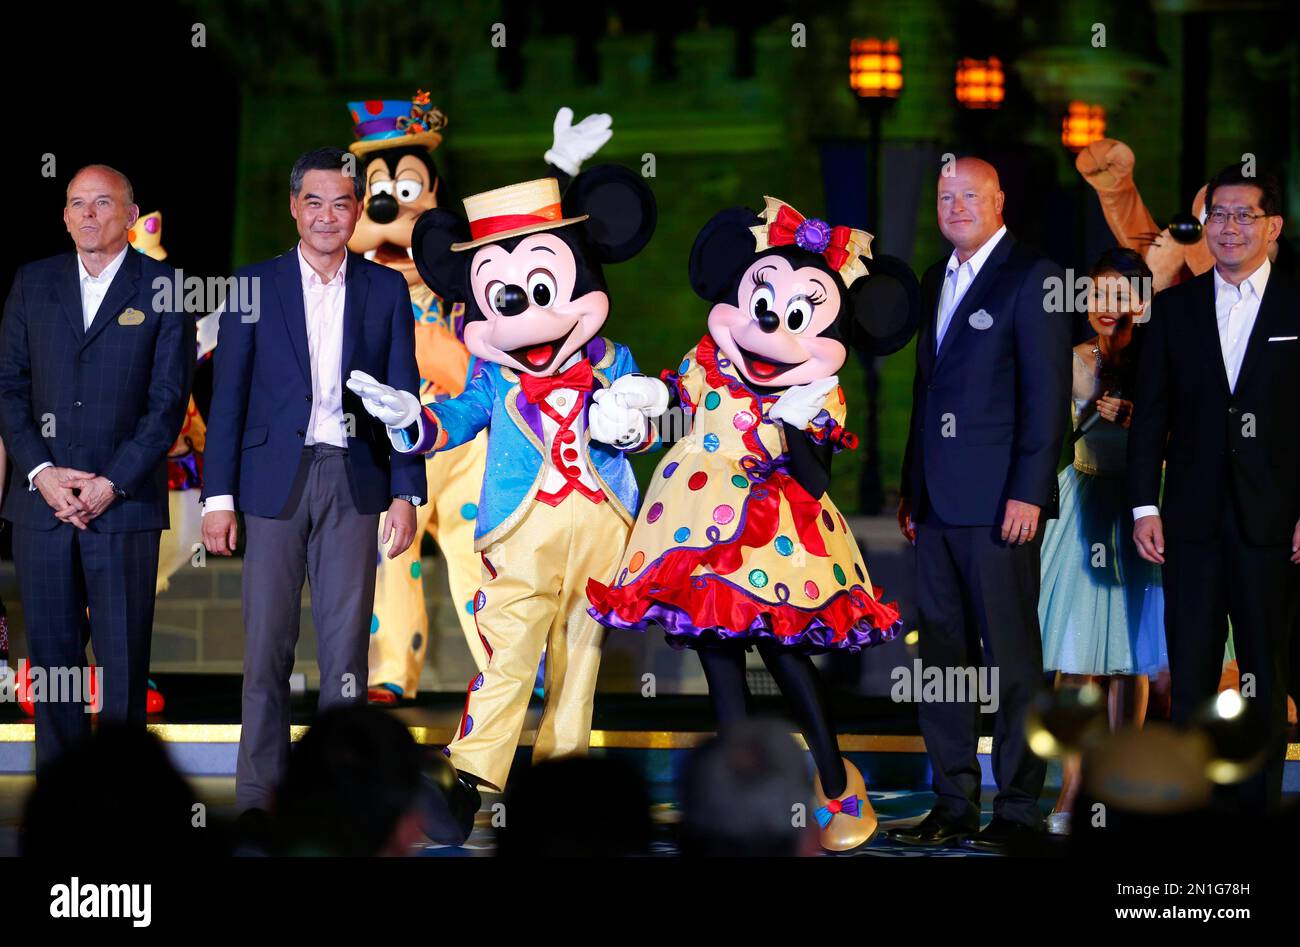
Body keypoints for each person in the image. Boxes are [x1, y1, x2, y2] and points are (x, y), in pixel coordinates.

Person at [200, 147, 426, 814]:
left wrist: (406, 489)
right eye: (315, 202)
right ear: (295, 207)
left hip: (355, 479)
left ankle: (342, 800)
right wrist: (219, 497)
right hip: (273, 481)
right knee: (266, 647)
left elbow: (402, 394)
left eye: (342, 203)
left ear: (357, 210)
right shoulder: (255, 285)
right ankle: (257, 800)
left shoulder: (386, 290)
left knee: (346, 653)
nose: (329, 216)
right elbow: (229, 399)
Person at [891, 157, 1071, 851]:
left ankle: (1019, 809)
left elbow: (1046, 394)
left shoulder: (1035, 274)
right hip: (937, 503)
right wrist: (912, 483)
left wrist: (1030, 488)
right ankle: (953, 803)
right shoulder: (937, 277)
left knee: (1015, 660)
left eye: (970, 194)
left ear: (999, 198)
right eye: (945, 196)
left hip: (1001, 503)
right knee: (942, 661)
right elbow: (928, 390)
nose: (956, 206)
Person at [0, 164, 194, 767]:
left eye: (102, 202)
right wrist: (42, 473)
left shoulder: (165, 288)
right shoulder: (32, 284)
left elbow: (167, 408)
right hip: (43, 505)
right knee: (54, 664)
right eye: (76, 203)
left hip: (124, 505)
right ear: (63, 215)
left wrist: (110, 482)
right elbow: (8, 388)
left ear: (130, 216)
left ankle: (122, 800)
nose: (87, 213)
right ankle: (61, 803)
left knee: (122, 663)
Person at [1128, 164, 1300, 812]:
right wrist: (1145, 503)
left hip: (1272, 526)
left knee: (1265, 673)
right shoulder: (1174, 309)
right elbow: (1151, 415)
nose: (1227, 228)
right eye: (1217, 216)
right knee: (1191, 677)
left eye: (1242, 215)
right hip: (1188, 525)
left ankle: (1253, 809)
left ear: (1272, 226)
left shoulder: (1294, 306)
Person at [1038, 248, 1165, 834]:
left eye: (1119, 295)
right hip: (1084, 502)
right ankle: (1070, 788)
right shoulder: (1069, 360)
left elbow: (1189, 430)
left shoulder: (1158, 357)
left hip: (1141, 507)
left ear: (1140, 301)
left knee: (1130, 661)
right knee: (1074, 659)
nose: (1105, 307)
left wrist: (1139, 417)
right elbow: (1042, 433)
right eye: (1095, 294)